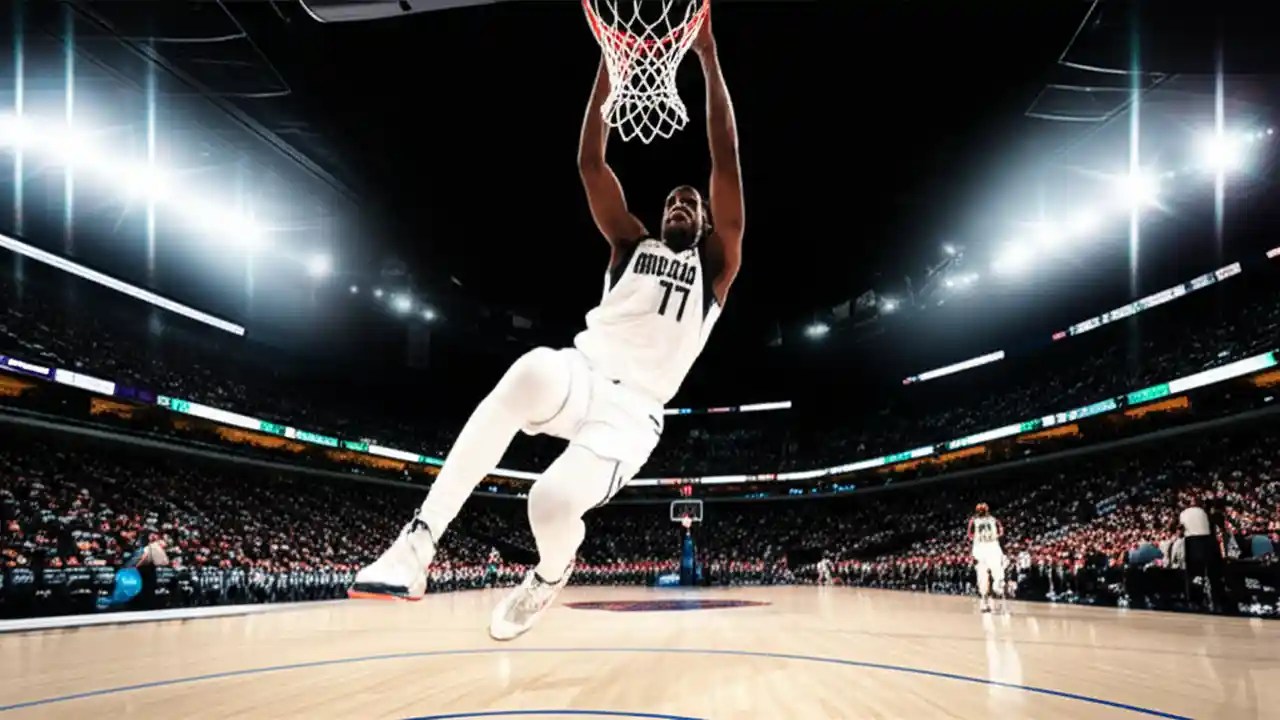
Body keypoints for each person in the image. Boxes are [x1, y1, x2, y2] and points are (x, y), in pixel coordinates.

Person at [349, 12, 743, 641]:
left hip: (632, 414)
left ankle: (551, 573)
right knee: (532, 365)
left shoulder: (717, 268)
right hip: (581, 372)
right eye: (671, 199)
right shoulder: (628, 243)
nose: (679, 204)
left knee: (549, 503)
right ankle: (417, 544)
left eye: (690, 203)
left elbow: (724, 157)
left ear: (705, 222)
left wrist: (708, 55)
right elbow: (591, 163)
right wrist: (610, 66)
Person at [967, 502, 1006, 613]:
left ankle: (987, 601)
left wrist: (978, 540)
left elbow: (969, 535)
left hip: (983, 548)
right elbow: (1001, 533)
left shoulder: (974, 520)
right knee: (992, 576)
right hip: (990, 548)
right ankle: (989, 600)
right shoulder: (994, 520)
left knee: (985, 577)